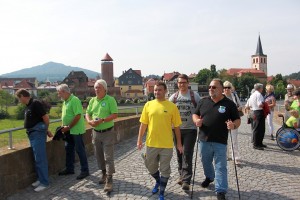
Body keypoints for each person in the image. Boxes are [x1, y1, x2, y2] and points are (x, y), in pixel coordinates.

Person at [192, 79, 240, 200]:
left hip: (220, 140)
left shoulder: (229, 104)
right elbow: (195, 114)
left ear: (221, 89)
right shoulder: (203, 101)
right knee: (205, 161)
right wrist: (196, 120)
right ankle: (209, 177)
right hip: (204, 139)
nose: (211, 89)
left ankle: (221, 191)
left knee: (220, 166)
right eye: (209, 87)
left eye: (214, 87)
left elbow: (237, 120)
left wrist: (233, 125)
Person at [137, 81, 183, 200]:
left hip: (166, 144)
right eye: (155, 90)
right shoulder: (148, 105)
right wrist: (139, 140)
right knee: (150, 166)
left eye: (160, 90)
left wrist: (179, 144)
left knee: (165, 169)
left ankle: (161, 192)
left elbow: (177, 127)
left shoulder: (172, 107)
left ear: (165, 91)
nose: (157, 92)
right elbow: (143, 124)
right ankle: (158, 181)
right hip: (151, 143)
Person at [15, 89, 53, 192]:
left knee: (40, 158)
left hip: (37, 133)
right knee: (37, 158)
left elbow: (45, 118)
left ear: (22, 96)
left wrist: (45, 130)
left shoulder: (35, 103)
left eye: (19, 98)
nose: (19, 101)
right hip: (32, 134)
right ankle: (40, 179)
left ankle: (45, 182)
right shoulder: (29, 106)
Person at [168, 74, 201, 191]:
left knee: (187, 153)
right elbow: (167, 113)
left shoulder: (194, 96)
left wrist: (200, 121)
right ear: (177, 84)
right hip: (176, 130)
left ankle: (186, 180)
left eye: (184, 82)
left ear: (188, 83)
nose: (181, 84)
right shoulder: (173, 97)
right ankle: (181, 175)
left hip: (190, 130)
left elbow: (201, 110)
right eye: (179, 83)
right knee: (179, 153)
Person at [85, 79, 118, 192]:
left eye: (99, 87)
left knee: (108, 157)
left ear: (105, 89)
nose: (96, 90)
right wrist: (89, 122)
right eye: (95, 88)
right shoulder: (92, 101)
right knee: (98, 156)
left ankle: (109, 180)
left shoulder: (110, 100)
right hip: (95, 133)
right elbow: (87, 113)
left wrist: (103, 120)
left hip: (108, 132)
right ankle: (103, 174)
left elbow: (115, 114)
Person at [56, 84, 90, 180]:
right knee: (68, 149)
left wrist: (69, 126)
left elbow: (78, 115)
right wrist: (63, 127)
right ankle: (70, 168)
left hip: (76, 130)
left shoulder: (74, 100)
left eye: (59, 93)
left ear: (65, 92)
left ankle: (85, 170)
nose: (59, 95)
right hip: (68, 130)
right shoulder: (65, 102)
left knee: (80, 150)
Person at [222, 81, 242, 165]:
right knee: (224, 139)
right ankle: (225, 155)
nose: (226, 89)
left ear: (231, 88)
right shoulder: (221, 96)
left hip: (233, 120)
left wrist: (235, 109)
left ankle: (236, 157)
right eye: (225, 87)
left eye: (228, 87)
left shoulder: (234, 96)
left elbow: (240, 106)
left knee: (234, 140)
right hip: (223, 120)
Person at [248, 83, 266, 150]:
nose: (262, 89)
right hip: (258, 111)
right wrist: (264, 104)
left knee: (257, 128)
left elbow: (249, 105)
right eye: (262, 88)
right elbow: (260, 105)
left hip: (253, 111)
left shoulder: (252, 95)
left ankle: (259, 143)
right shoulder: (259, 94)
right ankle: (256, 144)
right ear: (260, 88)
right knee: (259, 129)